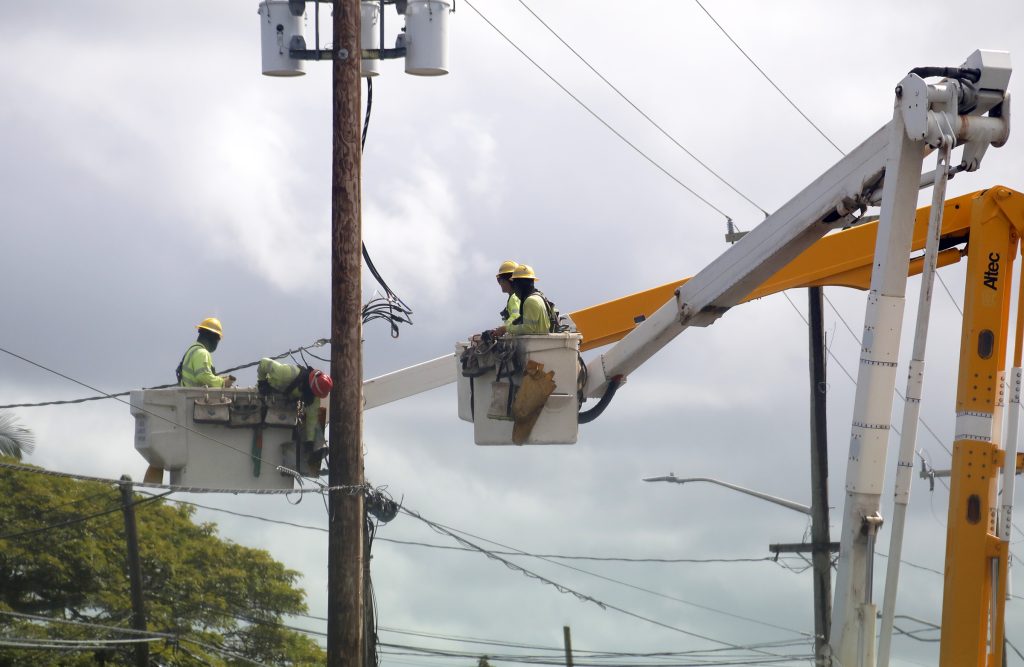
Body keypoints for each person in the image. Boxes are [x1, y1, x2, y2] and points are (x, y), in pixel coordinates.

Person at [256, 358, 333, 466]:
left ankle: (314, 451)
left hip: (285, 406)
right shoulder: (286, 373)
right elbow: (263, 363)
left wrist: (310, 441)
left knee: (311, 425)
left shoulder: (312, 397)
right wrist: (262, 381)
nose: (313, 396)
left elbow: (311, 419)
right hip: (268, 398)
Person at [492, 264, 558, 336]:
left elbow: (528, 329)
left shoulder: (531, 301)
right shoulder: (538, 297)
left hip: (536, 345)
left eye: (515, 284)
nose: (514, 287)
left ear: (520, 285)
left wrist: (506, 329)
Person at [177, 317, 235, 388]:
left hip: (189, 394)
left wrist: (218, 378)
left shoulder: (193, 349)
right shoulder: (202, 353)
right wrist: (222, 382)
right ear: (212, 337)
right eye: (218, 339)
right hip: (195, 396)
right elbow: (203, 376)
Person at [495, 260, 521, 328]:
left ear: (509, 280)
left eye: (500, 280)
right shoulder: (518, 296)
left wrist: (503, 328)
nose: (500, 284)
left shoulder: (514, 298)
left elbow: (515, 316)